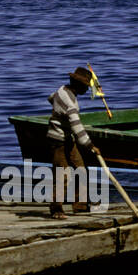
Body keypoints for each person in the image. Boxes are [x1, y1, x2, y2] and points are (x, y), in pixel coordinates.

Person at [46, 67, 100, 219]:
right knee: (63, 174)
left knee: (80, 170)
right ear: (78, 85)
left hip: (67, 138)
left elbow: (51, 98)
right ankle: (56, 209)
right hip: (57, 140)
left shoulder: (61, 90)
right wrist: (90, 146)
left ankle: (80, 205)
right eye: (85, 87)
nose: (86, 90)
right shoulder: (70, 104)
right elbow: (78, 129)